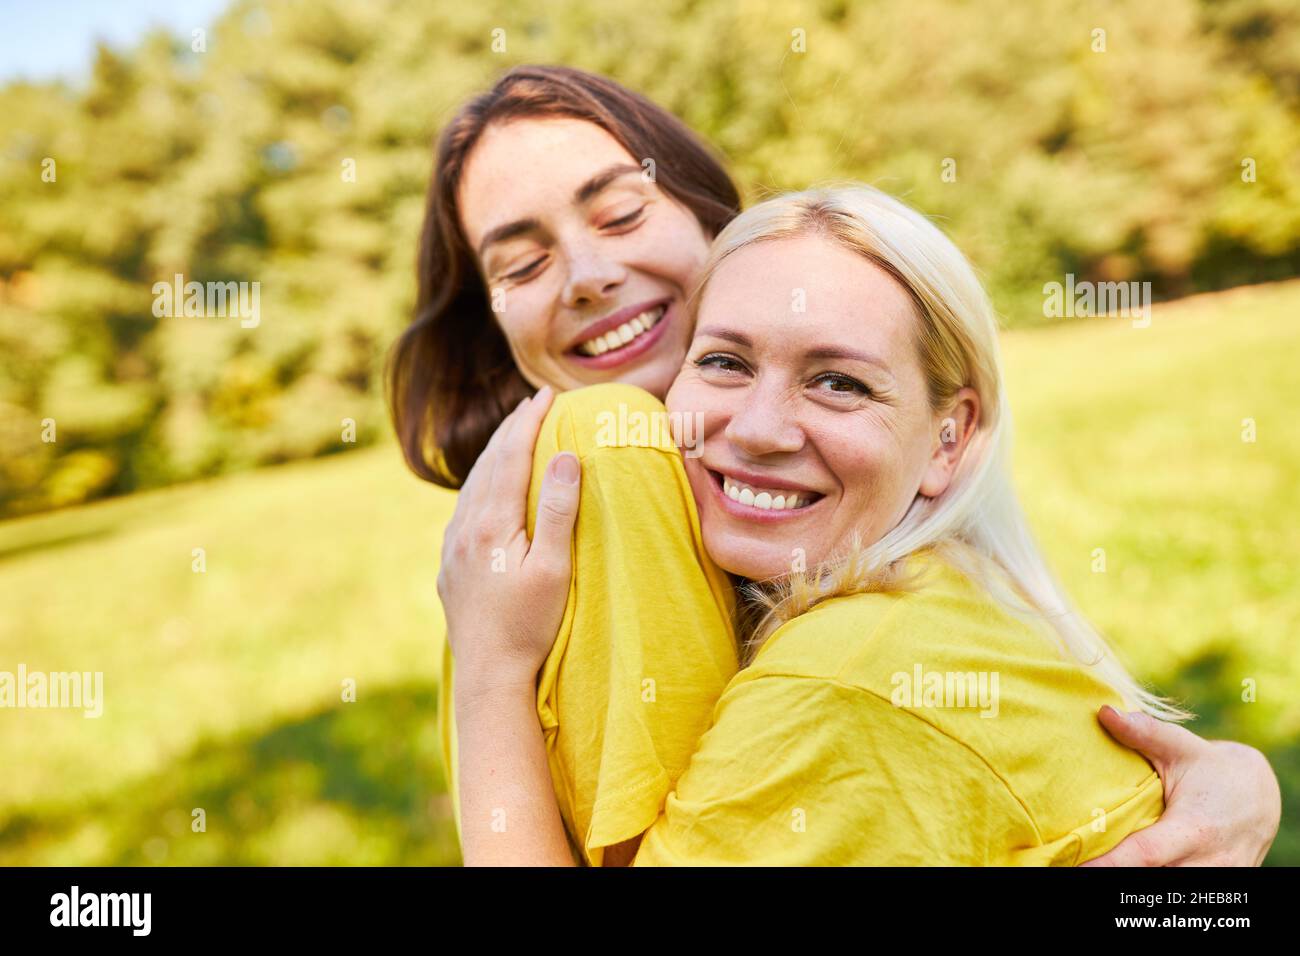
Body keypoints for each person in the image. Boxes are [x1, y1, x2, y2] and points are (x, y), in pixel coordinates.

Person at [388, 65, 1282, 866]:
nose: (585, 274)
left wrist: (1230, 786)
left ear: (714, 224)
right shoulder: (519, 564)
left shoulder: (855, 646)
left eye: (622, 212)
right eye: (524, 262)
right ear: (494, 323)